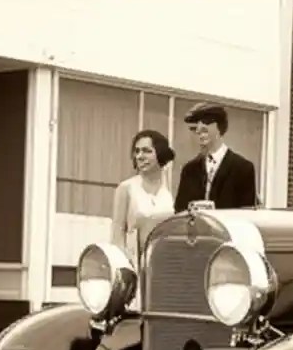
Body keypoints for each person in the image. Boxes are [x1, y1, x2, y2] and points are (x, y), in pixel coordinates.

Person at [173, 102, 259, 212]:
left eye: (204, 129)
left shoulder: (243, 168)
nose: (200, 134)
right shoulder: (189, 170)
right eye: (196, 131)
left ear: (219, 129)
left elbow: (247, 213)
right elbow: (180, 211)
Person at [111, 129, 175, 264]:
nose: (140, 156)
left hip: (167, 265)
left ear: (160, 153)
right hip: (135, 266)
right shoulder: (126, 188)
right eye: (137, 151)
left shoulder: (171, 189)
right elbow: (117, 237)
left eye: (147, 151)